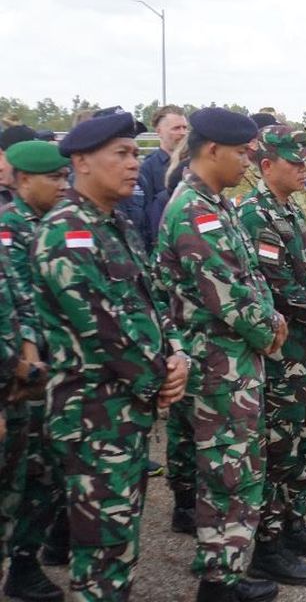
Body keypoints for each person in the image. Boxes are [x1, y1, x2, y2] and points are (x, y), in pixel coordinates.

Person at [30, 112, 188, 601]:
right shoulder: (66, 231)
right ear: (81, 161)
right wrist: (161, 376)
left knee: (118, 543)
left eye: (135, 153)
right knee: (102, 553)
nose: (132, 164)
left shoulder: (114, 223)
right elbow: (101, 327)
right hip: (91, 419)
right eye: (120, 154)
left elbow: (151, 300)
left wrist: (176, 352)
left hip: (124, 413)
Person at [156, 107, 285, 602]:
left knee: (230, 470)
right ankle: (220, 583)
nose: (250, 163)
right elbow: (228, 295)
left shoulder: (216, 202)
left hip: (229, 360)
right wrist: (271, 328)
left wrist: (269, 320)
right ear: (212, 150)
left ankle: (223, 564)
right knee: (230, 473)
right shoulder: (195, 210)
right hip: (218, 365)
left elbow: (247, 274)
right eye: (242, 153)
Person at [235, 126, 306, 586]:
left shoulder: (293, 208)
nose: (304, 169)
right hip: (283, 351)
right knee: (277, 448)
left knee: (301, 440)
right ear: (266, 166)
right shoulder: (255, 214)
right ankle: (268, 544)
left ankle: (294, 523)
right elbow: (279, 285)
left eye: (305, 162)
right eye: (294, 163)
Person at [0, 140, 69, 601]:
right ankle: (19, 562)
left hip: (49, 373)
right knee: (20, 476)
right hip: (25, 376)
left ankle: (32, 556)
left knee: (45, 470)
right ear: (24, 181)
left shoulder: (51, 223)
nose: (63, 186)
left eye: (66, 177)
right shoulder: (11, 228)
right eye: (54, 179)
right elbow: (22, 302)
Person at [135, 105, 189, 246]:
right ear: (159, 132)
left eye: (184, 127)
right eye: (176, 128)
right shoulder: (147, 169)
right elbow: (145, 217)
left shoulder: (193, 164)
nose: (183, 133)